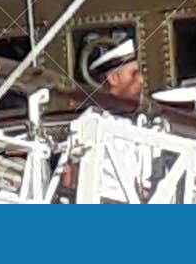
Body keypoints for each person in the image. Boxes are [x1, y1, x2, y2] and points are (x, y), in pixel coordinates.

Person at [58, 38, 150, 203]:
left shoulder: (139, 121)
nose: (141, 81)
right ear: (113, 79)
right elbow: (71, 174)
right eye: (134, 74)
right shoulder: (90, 121)